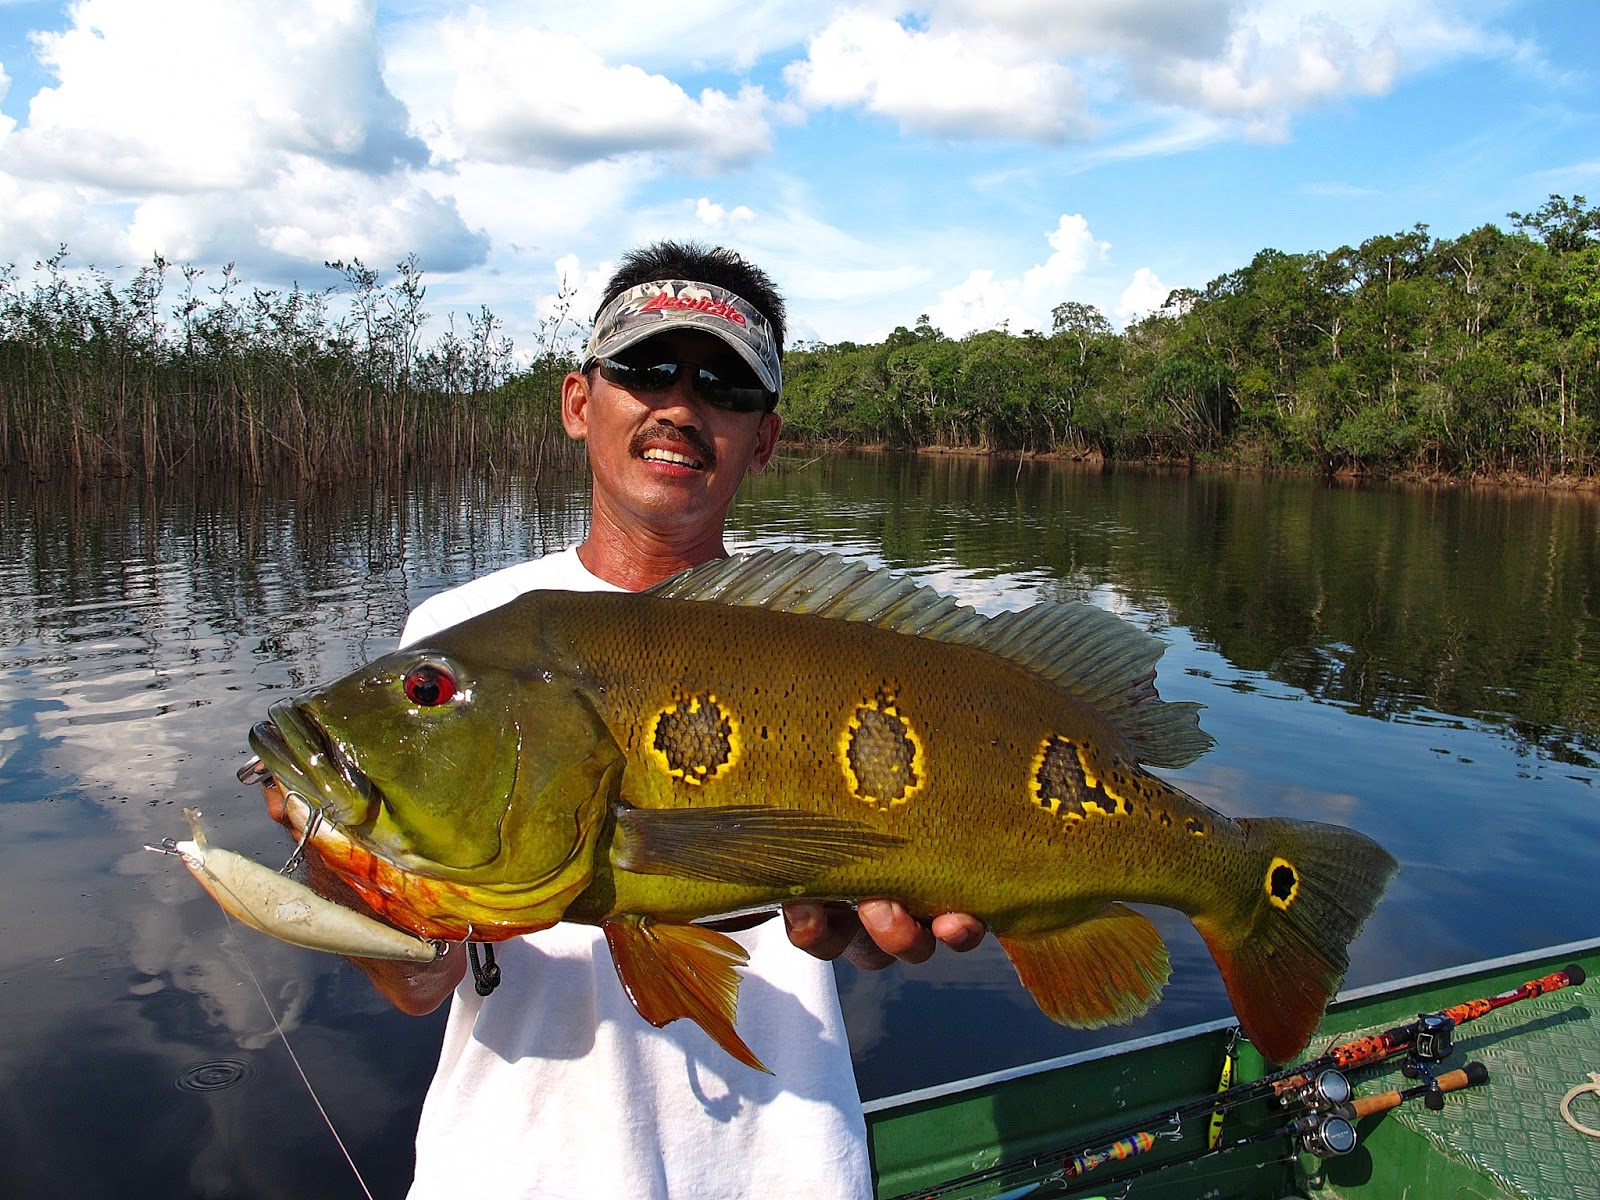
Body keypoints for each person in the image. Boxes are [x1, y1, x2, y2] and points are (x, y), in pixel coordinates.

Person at [271, 241, 984, 1198]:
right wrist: (357, 866)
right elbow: (412, 986)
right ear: (580, 401)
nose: (680, 406)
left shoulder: (817, 639)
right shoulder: (454, 639)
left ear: (764, 439)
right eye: (646, 368)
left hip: (782, 1169)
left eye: (724, 386)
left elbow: (867, 908)